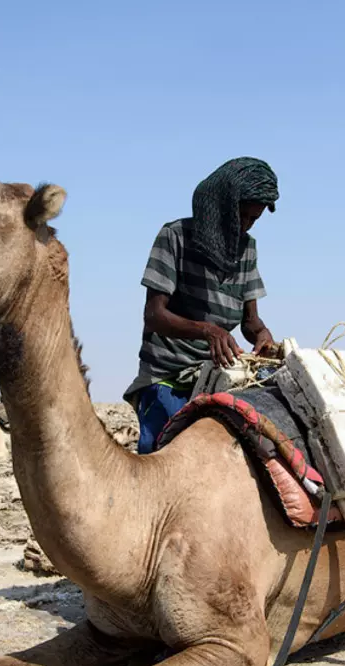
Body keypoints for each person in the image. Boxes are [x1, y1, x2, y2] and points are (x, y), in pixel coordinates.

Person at [124, 157, 280, 454]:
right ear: (220, 207)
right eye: (241, 216)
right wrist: (208, 331)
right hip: (169, 376)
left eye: (253, 220)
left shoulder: (247, 249)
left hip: (219, 376)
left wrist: (263, 336)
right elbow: (154, 315)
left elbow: (251, 322)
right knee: (166, 460)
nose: (244, 226)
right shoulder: (175, 237)